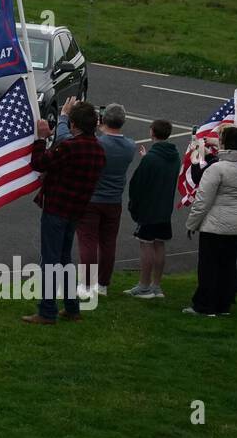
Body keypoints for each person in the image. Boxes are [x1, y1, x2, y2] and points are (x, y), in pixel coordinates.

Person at [22, 98, 106, 325]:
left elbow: (39, 163)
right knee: (65, 259)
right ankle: (71, 306)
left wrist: (41, 138)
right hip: (76, 210)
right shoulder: (98, 150)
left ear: (74, 125)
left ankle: (47, 310)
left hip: (56, 208)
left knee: (49, 260)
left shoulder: (70, 147)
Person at [184, 127, 237, 317]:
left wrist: (192, 224)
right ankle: (224, 304)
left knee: (208, 266)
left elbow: (203, 200)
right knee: (228, 265)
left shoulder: (217, 169)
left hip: (215, 225)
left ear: (225, 144)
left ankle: (204, 305)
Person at [74, 103, 136, 298]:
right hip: (114, 200)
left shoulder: (99, 144)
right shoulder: (130, 146)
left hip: (92, 198)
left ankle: (86, 284)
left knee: (88, 241)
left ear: (103, 120)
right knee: (108, 243)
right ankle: (102, 284)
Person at [125, 119, 181, 298]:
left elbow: (137, 184)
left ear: (152, 132)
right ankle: (156, 285)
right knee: (159, 244)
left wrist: (134, 205)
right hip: (164, 208)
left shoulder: (151, 159)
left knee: (146, 244)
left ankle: (144, 285)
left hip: (149, 208)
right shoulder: (174, 156)